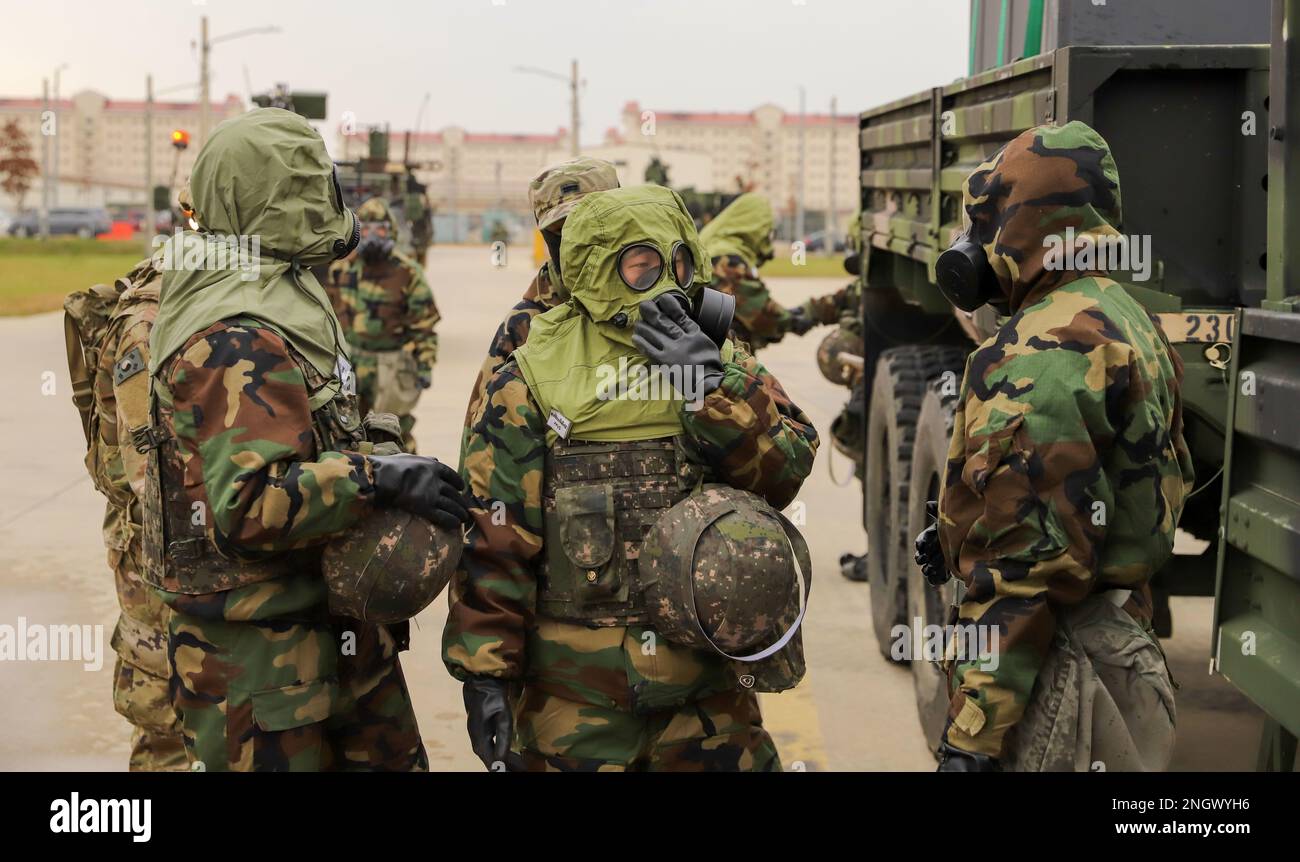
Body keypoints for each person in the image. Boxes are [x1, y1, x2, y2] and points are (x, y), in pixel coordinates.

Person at [443, 184, 819, 772]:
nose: (667, 283)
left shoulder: (719, 354)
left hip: (710, 701)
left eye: (680, 263)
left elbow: (786, 472)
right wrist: (485, 676)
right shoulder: (532, 374)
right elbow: (495, 540)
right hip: (576, 707)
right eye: (642, 266)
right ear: (595, 268)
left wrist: (710, 387)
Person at [143, 107, 469, 771]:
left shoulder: (273, 293)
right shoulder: (233, 332)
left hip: (326, 629)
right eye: (309, 185)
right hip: (260, 661)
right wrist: (378, 479)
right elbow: (247, 506)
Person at [915, 121, 1193, 772]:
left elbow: (1026, 574)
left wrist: (973, 736)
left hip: (1061, 670)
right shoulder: (1129, 316)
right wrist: (961, 532)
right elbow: (1140, 487)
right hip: (1125, 647)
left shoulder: (1034, 354)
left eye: (987, 223)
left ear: (1022, 225)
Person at [64, 255, 186, 770]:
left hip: (176, 555)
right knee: (166, 724)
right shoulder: (154, 313)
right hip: (155, 552)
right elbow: (148, 478)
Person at [459, 156, 620, 463]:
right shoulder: (525, 325)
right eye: (563, 231)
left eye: (589, 227)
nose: (577, 243)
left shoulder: (666, 303)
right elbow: (480, 449)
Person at [326, 196, 439, 452]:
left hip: (390, 363)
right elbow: (327, 321)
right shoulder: (341, 270)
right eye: (365, 230)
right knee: (347, 433)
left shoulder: (408, 272)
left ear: (391, 231)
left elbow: (424, 325)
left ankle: (408, 482)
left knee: (394, 431)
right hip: (350, 362)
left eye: (380, 230)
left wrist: (424, 363)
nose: (373, 236)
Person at [697, 193, 809, 350]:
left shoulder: (712, 247)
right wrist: (797, 319)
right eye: (766, 231)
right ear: (754, 227)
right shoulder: (726, 260)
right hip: (715, 363)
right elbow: (761, 313)